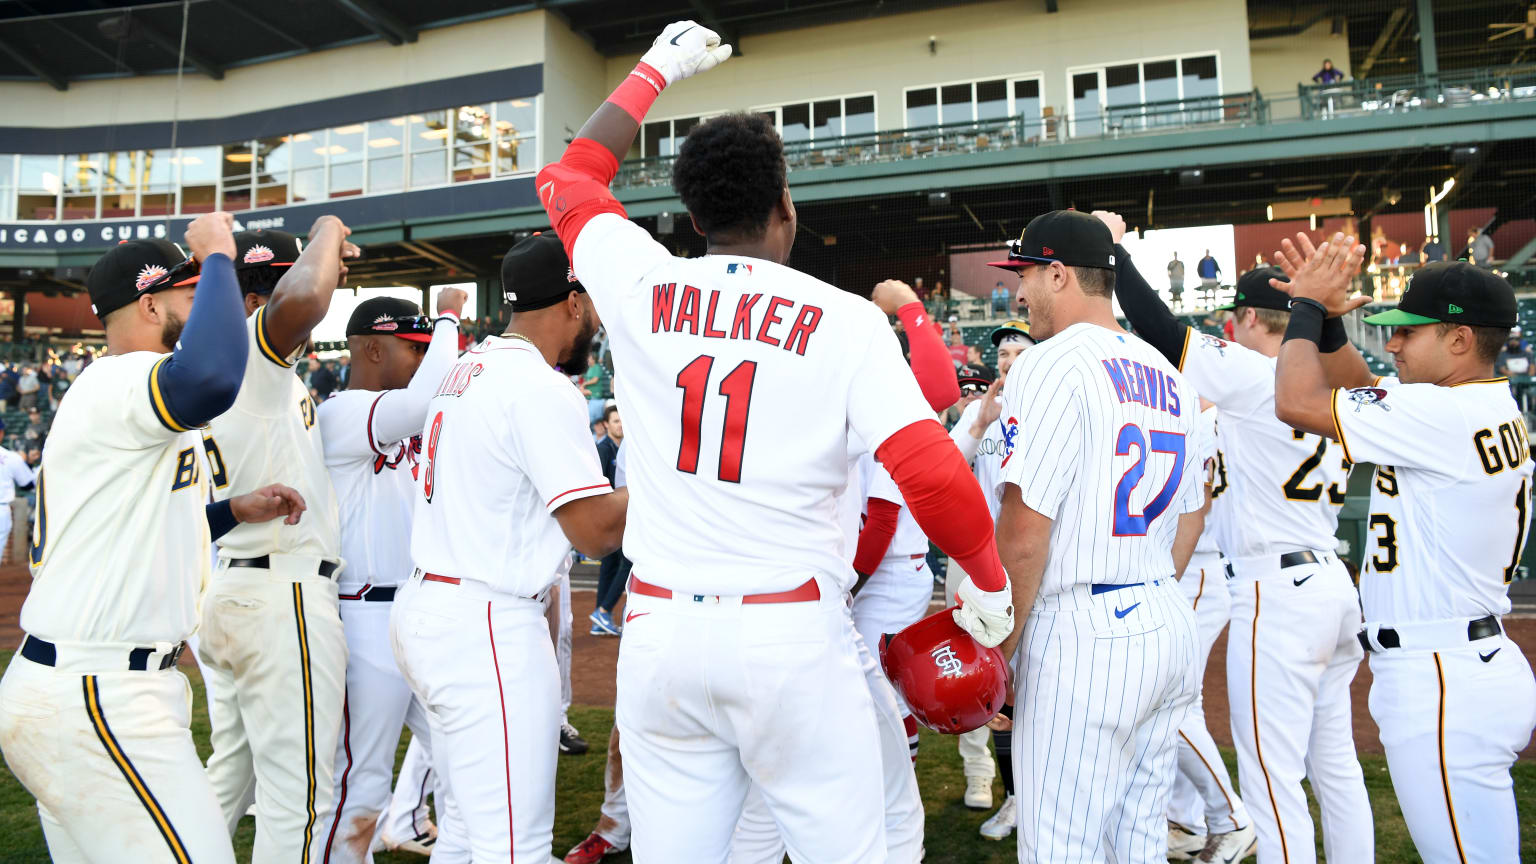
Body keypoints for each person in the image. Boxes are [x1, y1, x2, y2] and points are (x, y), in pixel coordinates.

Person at [536, 20, 1013, 861]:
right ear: (784, 207)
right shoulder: (846, 320)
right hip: (788, 632)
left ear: (690, 215)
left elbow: (571, 172)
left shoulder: (645, 280)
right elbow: (928, 469)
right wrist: (985, 578)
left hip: (660, 633)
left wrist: (657, 68)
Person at [0, 215, 305, 864]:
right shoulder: (117, 378)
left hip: (86, 685)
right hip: (99, 690)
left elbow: (147, 526)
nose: (205, 308)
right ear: (148, 303)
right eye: (192, 295)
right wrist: (220, 257)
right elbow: (213, 379)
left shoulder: (125, 392)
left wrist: (230, 511)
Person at [1110, 214, 1373, 864]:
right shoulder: (1327, 391)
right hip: (1333, 580)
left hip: (1275, 589)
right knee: (1336, 767)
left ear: (1256, 319)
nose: (1231, 326)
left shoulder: (1259, 376)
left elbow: (1163, 331)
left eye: (1238, 316)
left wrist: (1114, 250)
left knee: (1273, 782)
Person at [1272, 248, 1536, 864]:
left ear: (1460, 339)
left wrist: (1306, 308)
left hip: (1444, 675)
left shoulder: (1443, 412)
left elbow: (1296, 401)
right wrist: (1332, 324)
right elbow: (1361, 392)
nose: (1394, 346)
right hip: (1460, 663)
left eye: (1410, 334)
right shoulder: (1473, 403)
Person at [393, 232, 628, 862]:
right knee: (515, 846)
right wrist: (674, 480)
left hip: (433, 608)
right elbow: (597, 532)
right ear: (573, 302)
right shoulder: (539, 387)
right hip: (485, 624)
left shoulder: (467, 367)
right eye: (594, 305)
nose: (596, 322)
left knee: (467, 833)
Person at [989, 209, 1204, 862]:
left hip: (1082, 630)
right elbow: (1194, 512)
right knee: (1135, 841)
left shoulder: (1049, 364)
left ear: (1059, 274)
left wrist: (1001, 651)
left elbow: (1025, 533)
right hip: (1164, 618)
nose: (1018, 293)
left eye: (1025, 275)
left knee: (1061, 847)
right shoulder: (1169, 372)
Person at [198, 224, 353, 862]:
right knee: (299, 798)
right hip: (281, 591)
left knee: (228, 779)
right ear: (262, 297)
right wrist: (330, 229)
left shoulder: (214, 372)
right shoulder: (252, 359)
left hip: (237, 585)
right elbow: (303, 300)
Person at [314, 288, 465, 862]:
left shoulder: (393, 407)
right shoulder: (341, 412)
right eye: (414, 348)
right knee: (361, 783)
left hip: (412, 610)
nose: (425, 359)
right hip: (362, 613)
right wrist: (448, 316)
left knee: (463, 758)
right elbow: (430, 398)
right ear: (373, 349)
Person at [947, 319, 1034, 837]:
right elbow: (948, 469)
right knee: (993, 690)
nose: (1005, 361)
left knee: (1037, 688)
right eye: (1001, 352)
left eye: (1016, 351)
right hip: (983, 566)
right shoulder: (987, 420)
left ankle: (1040, 794)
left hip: (1038, 567)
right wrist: (978, 423)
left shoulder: (1053, 413)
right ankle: (1012, 796)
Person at [1165, 402, 1254, 862]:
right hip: (1197, 567)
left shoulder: (1200, 413)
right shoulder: (1213, 409)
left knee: (1171, 707)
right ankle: (1186, 821)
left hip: (1195, 567)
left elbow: (1194, 508)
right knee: (1179, 706)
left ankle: (1230, 819)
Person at [591, 403, 630, 636]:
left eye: (622, 420)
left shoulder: (619, 446)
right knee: (625, 564)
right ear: (606, 425)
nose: (620, 425)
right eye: (615, 421)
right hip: (612, 515)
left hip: (618, 513)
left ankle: (599, 618)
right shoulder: (604, 448)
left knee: (610, 566)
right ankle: (603, 611)